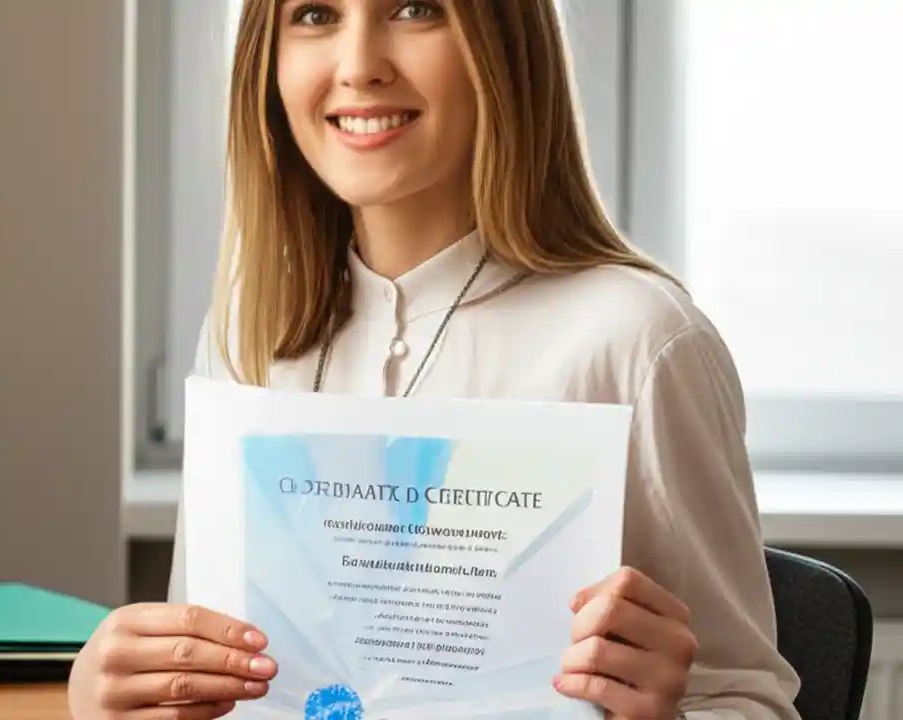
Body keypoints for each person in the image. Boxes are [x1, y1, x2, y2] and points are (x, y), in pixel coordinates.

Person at [68, 0, 802, 718]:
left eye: (415, 9)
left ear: (504, 42)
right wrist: (117, 696)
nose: (359, 65)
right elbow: (200, 680)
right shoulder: (247, 327)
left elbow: (747, 699)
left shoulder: (637, 340)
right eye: (316, 15)